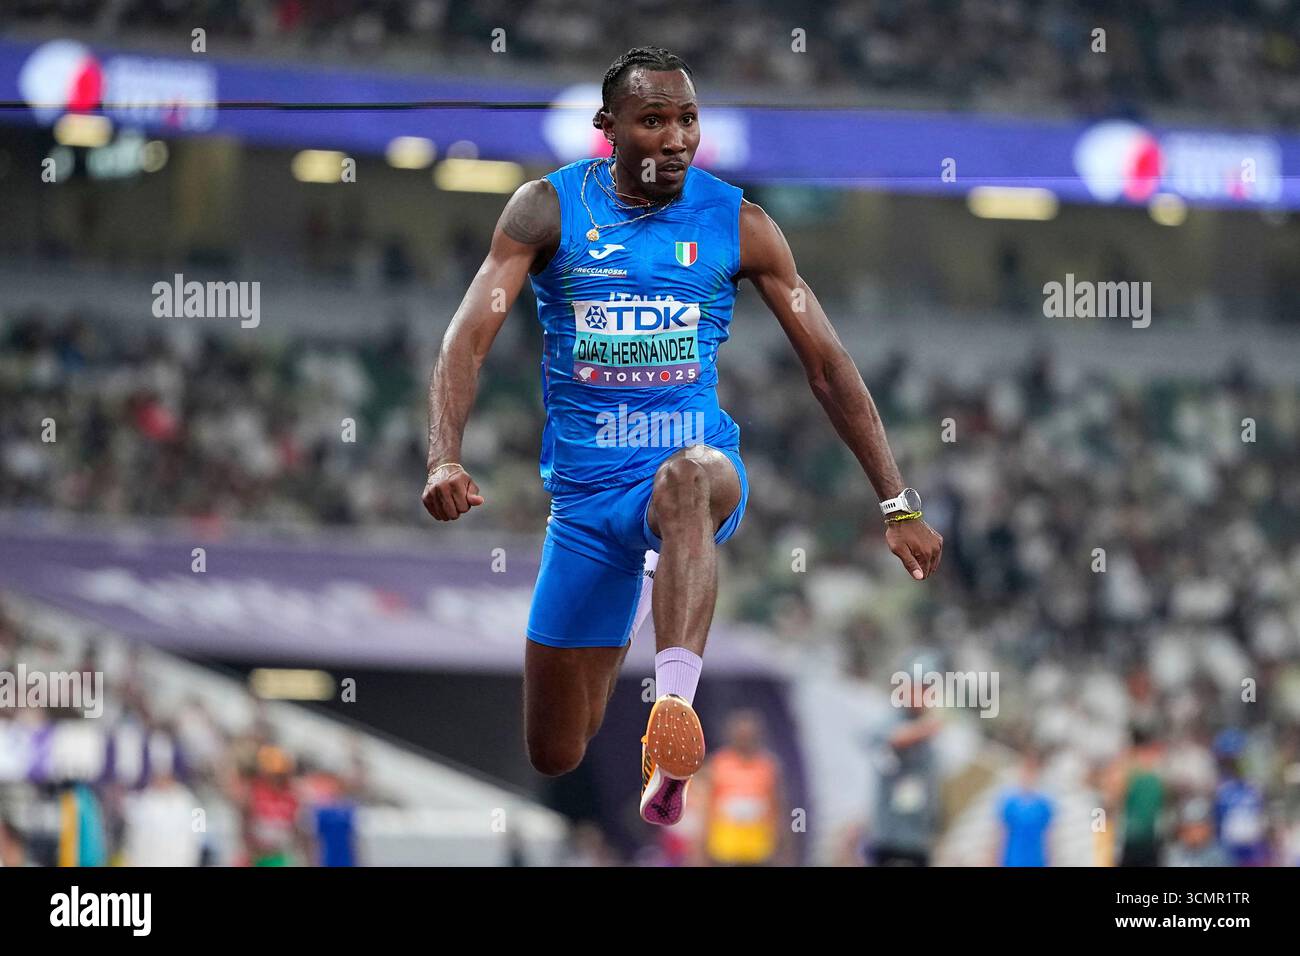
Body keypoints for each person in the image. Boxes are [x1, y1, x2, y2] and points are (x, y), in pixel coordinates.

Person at [422, 46, 942, 827]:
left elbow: (830, 368)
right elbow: (467, 339)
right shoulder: (546, 209)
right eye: (653, 120)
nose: (674, 138)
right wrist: (444, 456)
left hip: (695, 465)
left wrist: (897, 502)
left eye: (687, 120)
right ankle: (642, 597)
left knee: (687, 478)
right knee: (557, 747)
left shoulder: (742, 224)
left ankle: (674, 718)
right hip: (587, 500)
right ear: (609, 129)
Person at [693, 710, 787, 865]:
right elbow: (705, 807)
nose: (745, 740)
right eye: (741, 736)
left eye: (750, 736)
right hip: (724, 848)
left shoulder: (769, 766)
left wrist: (783, 847)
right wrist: (700, 847)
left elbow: (779, 807)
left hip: (759, 849)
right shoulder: (718, 765)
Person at [996, 751, 1053, 867]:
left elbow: (1049, 838)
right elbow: (1001, 835)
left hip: (1036, 859)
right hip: (1012, 859)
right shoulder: (1009, 804)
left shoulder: (1044, 806)